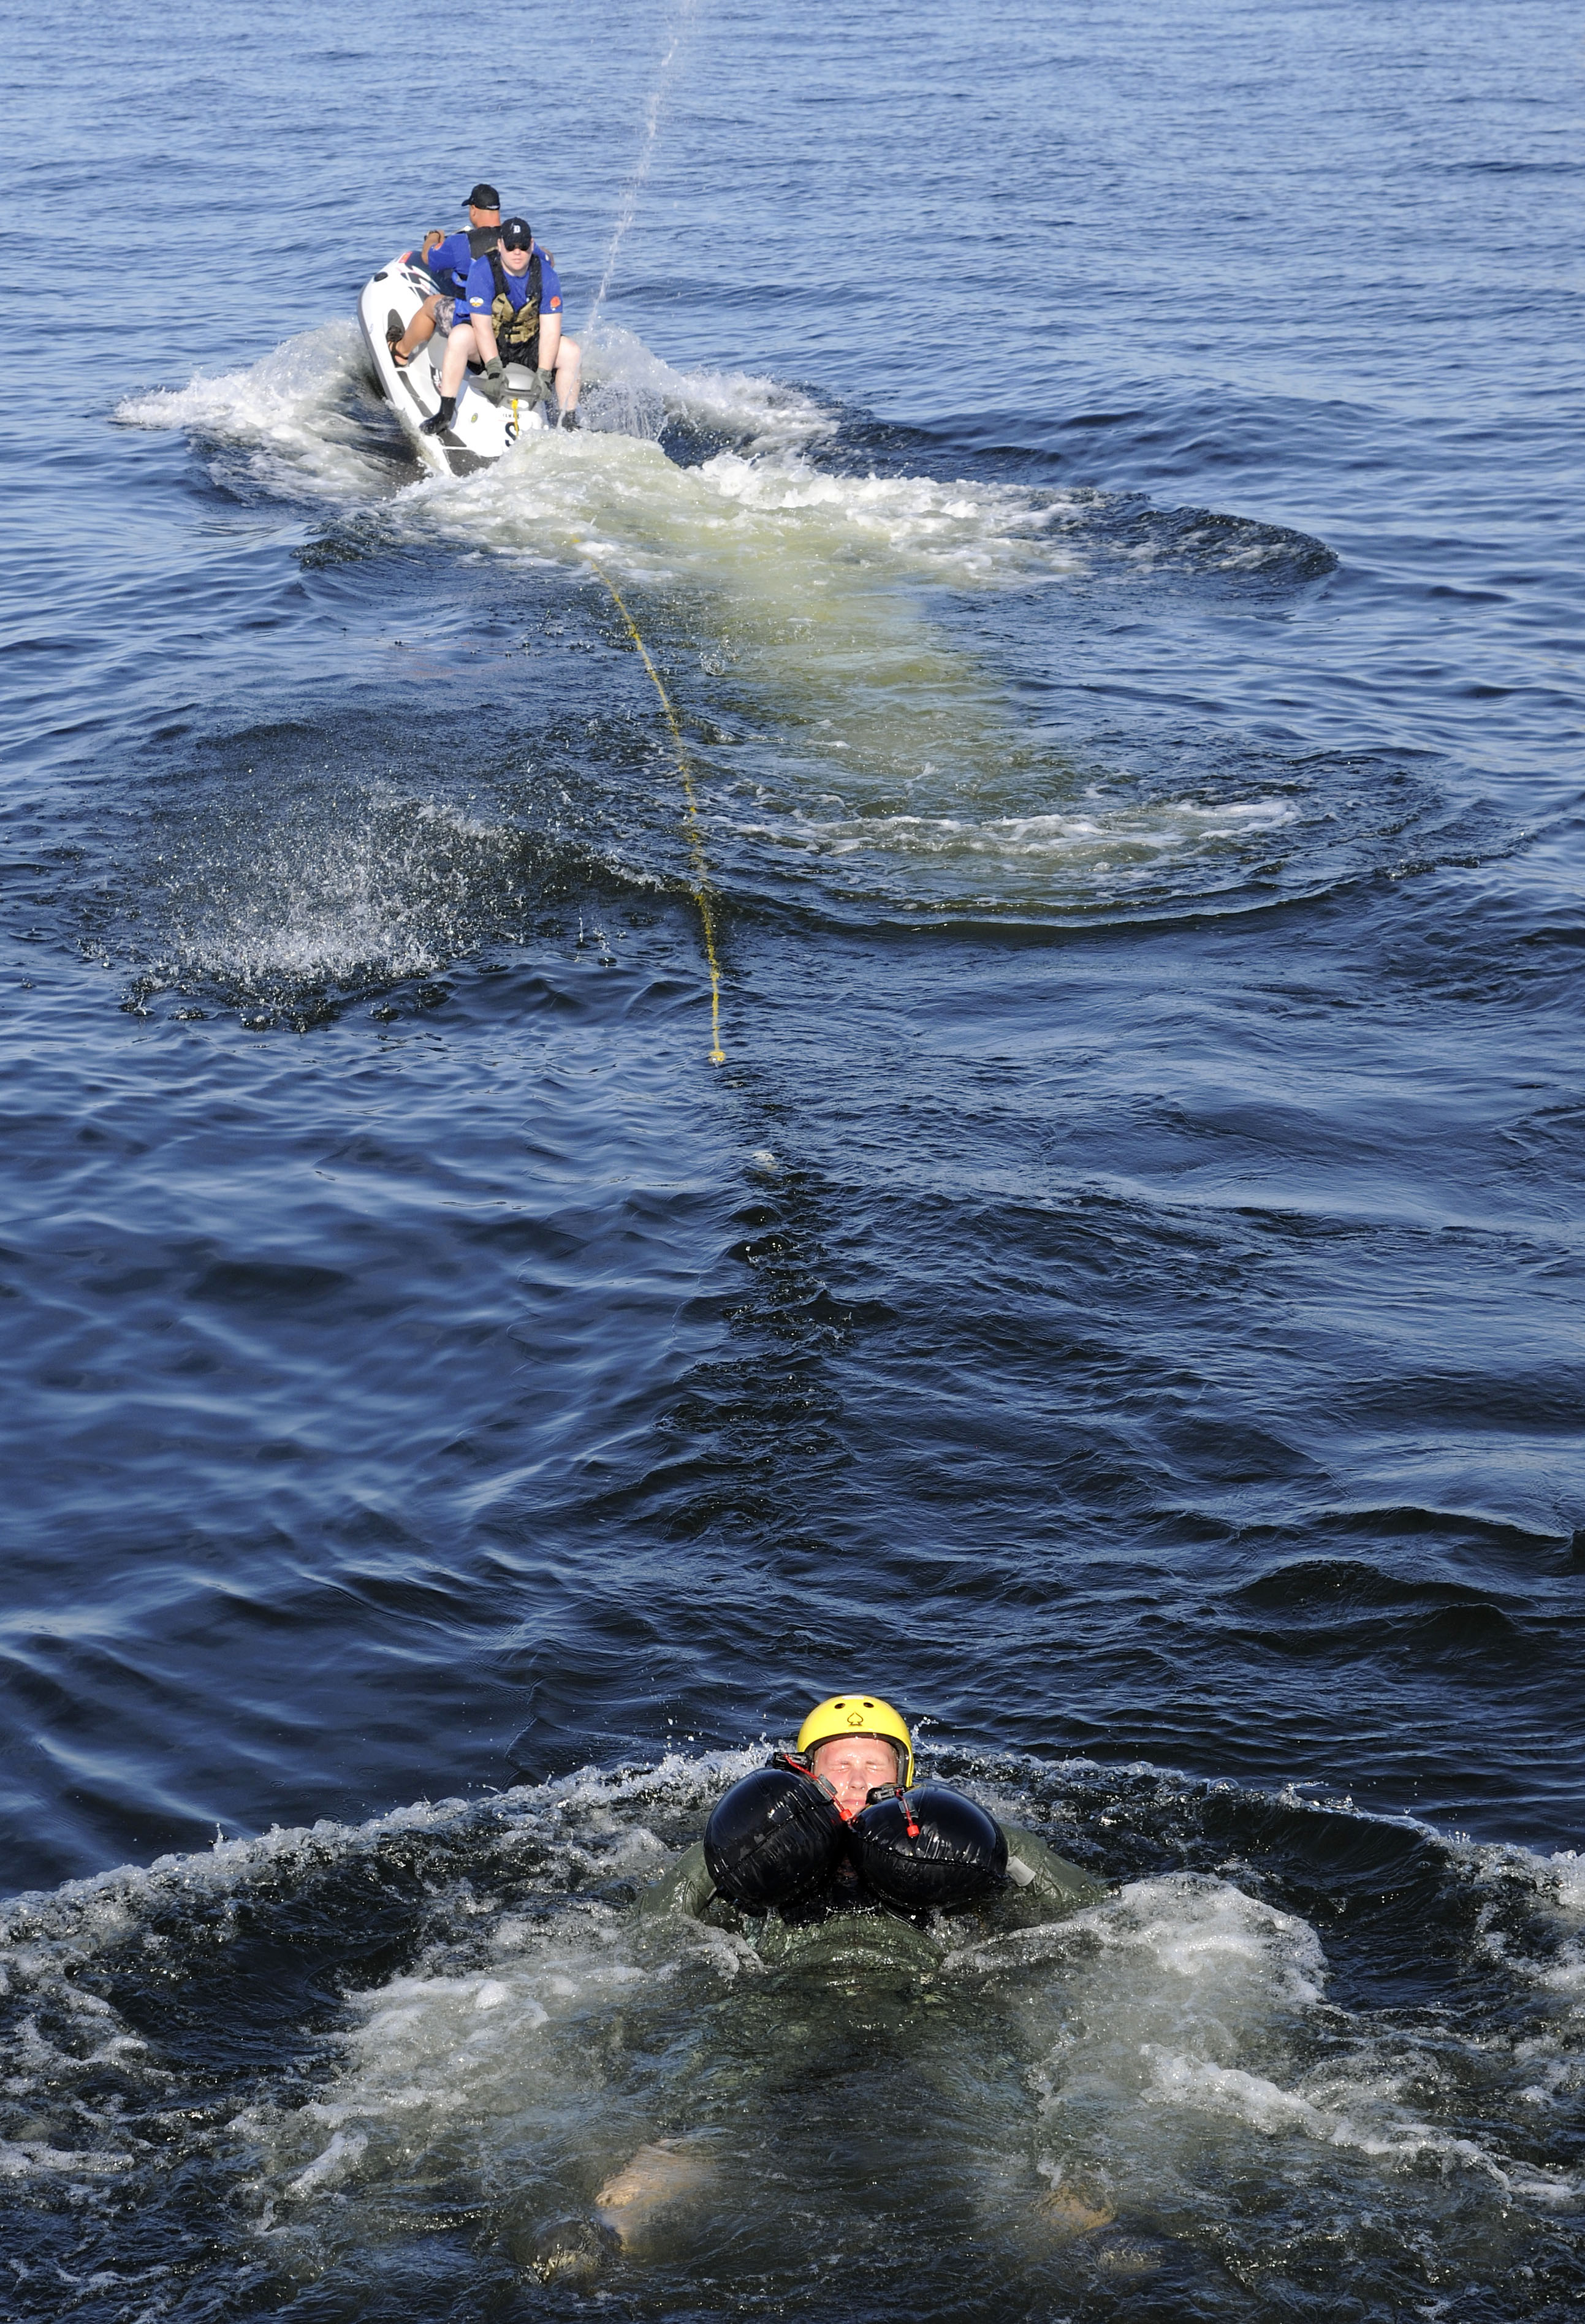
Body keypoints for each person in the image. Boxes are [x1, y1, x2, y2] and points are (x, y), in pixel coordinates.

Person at [636, 1690, 1105, 1932]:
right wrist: (737, 1842)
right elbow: (654, 1926)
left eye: (874, 1766)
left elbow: (1085, 1907)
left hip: (923, 1989)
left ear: (903, 1777)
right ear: (806, 1774)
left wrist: (985, 1839)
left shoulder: (934, 1838)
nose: (858, 1781)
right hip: (782, 1984)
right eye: (840, 1766)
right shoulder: (770, 1839)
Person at [420, 215, 582, 438]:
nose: (517, 252)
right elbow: (482, 327)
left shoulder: (547, 275)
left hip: (527, 344)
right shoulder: (483, 271)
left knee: (571, 352)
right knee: (459, 336)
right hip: (493, 342)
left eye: (523, 246)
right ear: (500, 245)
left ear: (532, 246)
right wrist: (494, 370)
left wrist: (544, 374)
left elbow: (551, 330)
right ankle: (445, 413)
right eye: (511, 246)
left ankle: (569, 422)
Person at [387, 183, 503, 371]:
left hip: (475, 319)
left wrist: (433, 237)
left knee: (431, 304)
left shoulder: (462, 243)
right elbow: (548, 259)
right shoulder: (517, 241)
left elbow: (428, 257)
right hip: (509, 319)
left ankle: (400, 351)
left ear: (473, 210)